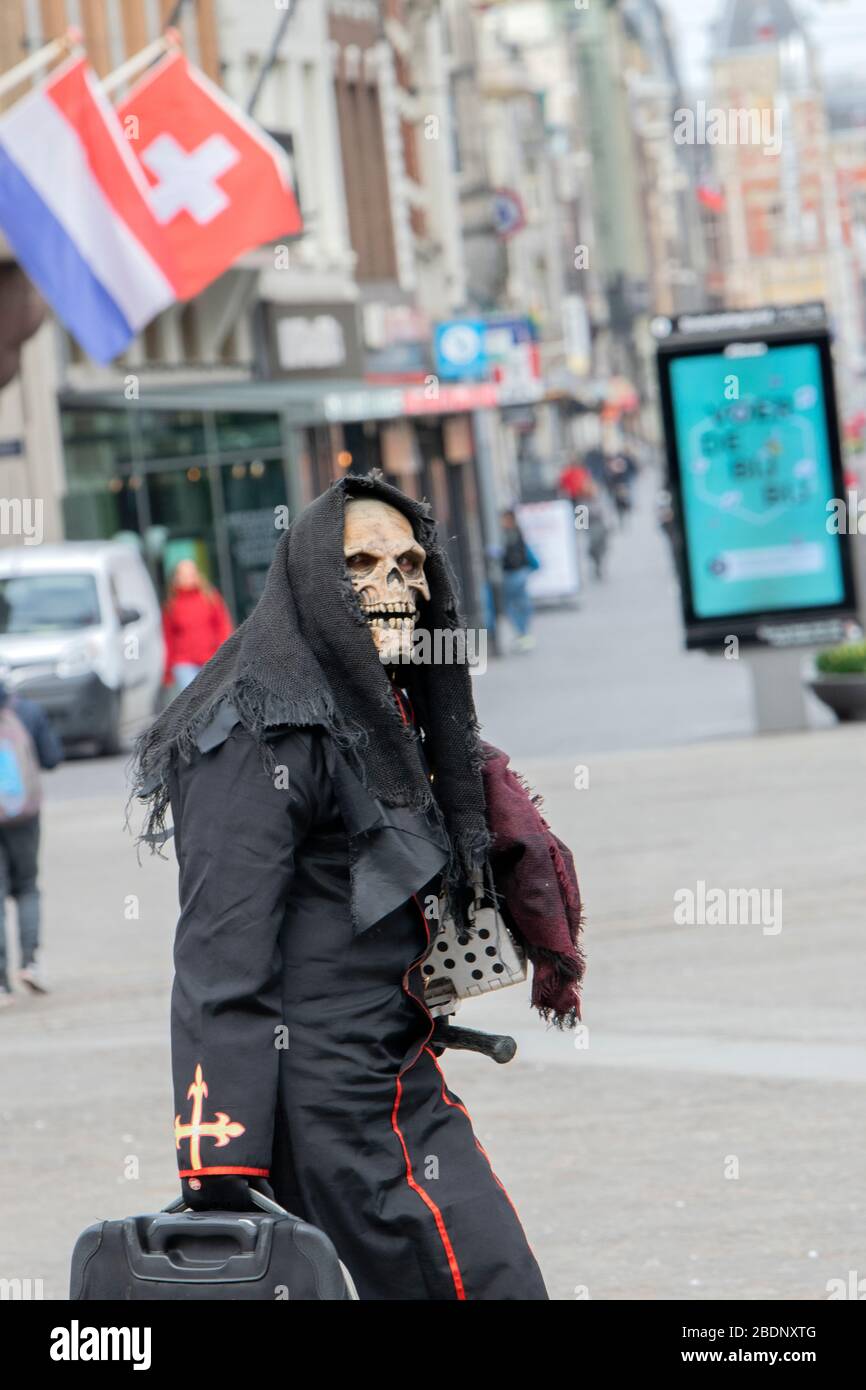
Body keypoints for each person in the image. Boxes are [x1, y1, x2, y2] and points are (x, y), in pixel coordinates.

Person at [133, 473, 584, 1301]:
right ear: (313, 579)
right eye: (363, 565)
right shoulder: (254, 724)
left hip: (393, 1061)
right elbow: (218, 954)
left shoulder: (374, 705)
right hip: (324, 1094)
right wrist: (218, 1164)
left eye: (410, 566)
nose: (394, 589)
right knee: (483, 1283)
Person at [0, 680, 63, 1005]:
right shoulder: (25, 711)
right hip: (24, 819)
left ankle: (0, 983)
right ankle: (30, 964)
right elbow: (52, 757)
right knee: (27, 887)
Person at [161, 559, 233, 694]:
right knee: (192, 701)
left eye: (191, 573)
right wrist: (167, 670)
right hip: (184, 662)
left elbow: (223, 627)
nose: (189, 577)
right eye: (184, 574)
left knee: (212, 700)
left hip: (210, 659)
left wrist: (224, 654)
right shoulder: (171, 606)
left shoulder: (210, 598)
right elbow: (168, 639)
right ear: (176, 578)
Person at [500, 509, 538, 652]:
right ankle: (523, 634)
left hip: (514, 574)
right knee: (520, 605)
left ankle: (522, 634)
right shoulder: (514, 533)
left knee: (515, 605)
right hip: (516, 573)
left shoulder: (508, 535)